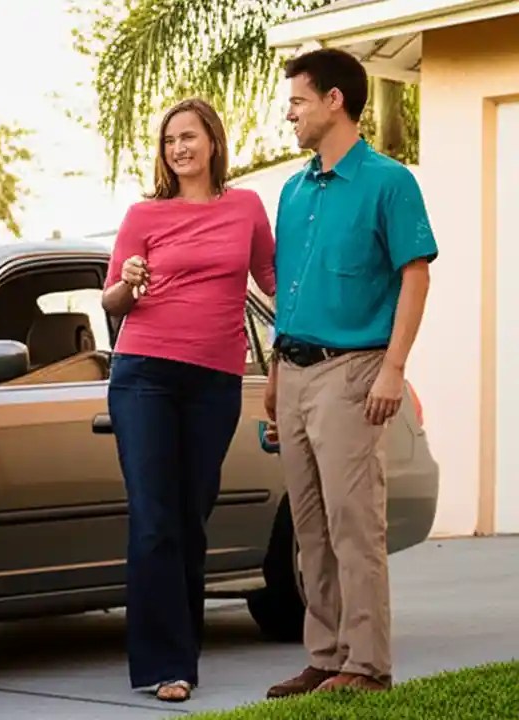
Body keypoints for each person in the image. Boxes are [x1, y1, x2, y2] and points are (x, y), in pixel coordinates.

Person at [264, 48, 437, 698]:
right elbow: (291, 292)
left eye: (298, 101)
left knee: (353, 523)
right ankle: (326, 654)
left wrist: (394, 368)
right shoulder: (292, 189)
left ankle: (367, 666)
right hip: (297, 372)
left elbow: (415, 275)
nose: (290, 114)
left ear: (335, 100)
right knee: (309, 526)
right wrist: (279, 376)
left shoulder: (389, 183)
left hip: (354, 372)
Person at [102, 97, 276, 703]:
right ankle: (167, 665)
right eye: (170, 139)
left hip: (214, 380)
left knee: (189, 516)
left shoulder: (246, 207)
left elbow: (273, 280)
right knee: (153, 518)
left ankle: (182, 648)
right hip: (144, 373)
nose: (179, 148)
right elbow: (111, 303)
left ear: (212, 142)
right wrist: (129, 280)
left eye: (189, 137)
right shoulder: (144, 215)